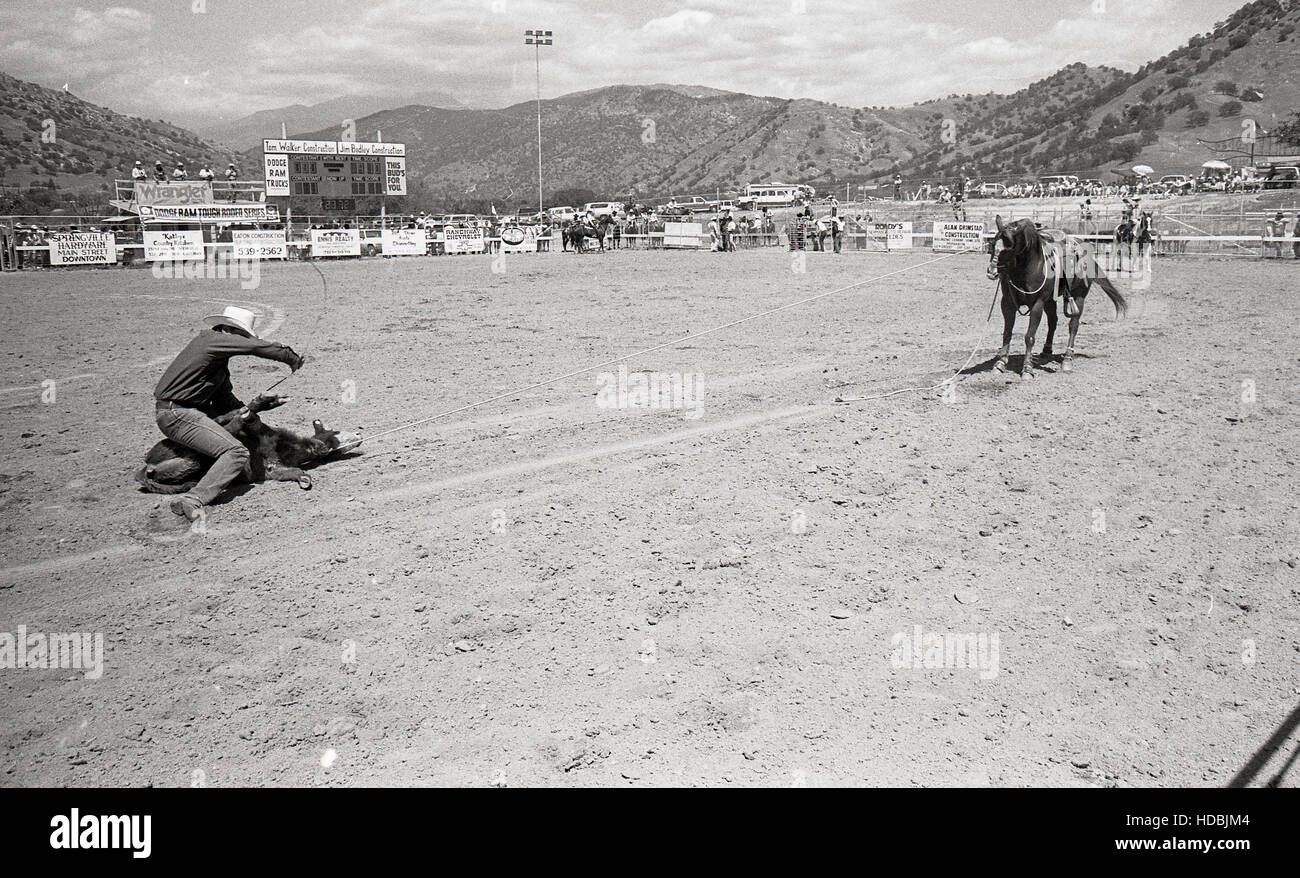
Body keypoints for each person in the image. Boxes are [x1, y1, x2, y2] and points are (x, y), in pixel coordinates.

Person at [153, 306, 305, 522]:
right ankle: (194, 498)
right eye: (241, 336)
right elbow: (253, 347)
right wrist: (290, 357)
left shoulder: (216, 362)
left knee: (236, 440)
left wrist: (254, 408)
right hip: (178, 414)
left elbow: (226, 400)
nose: (241, 342)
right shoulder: (211, 340)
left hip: (181, 412)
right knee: (236, 452)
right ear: (227, 330)